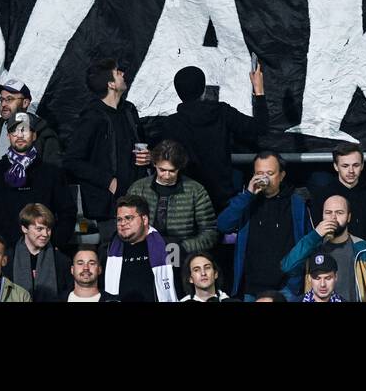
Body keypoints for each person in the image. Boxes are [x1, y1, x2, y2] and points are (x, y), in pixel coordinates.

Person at [154, 63, 268, 212]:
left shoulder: (170, 124)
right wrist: (259, 90)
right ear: (202, 90)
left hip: (188, 201)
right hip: (222, 199)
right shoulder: (222, 113)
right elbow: (260, 127)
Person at [64, 60, 150, 224]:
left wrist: (149, 157)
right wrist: (109, 182)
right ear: (111, 84)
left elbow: (142, 145)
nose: (123, 74)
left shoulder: (129, 110)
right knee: (113, 249)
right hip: (109, 207)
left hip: (138, 200)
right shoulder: (92, 117)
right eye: (118, 72)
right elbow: (72, 161)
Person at [216, 151, 311, 298]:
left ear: (282, 175)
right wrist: (248, 194)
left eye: (270, 173)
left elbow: (308, 242)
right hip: (251, 289)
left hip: (287, 288)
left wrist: (295, 282)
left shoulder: (296, 203)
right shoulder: (246, 201)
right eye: (259, 173)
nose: (264, 178)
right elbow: (223, 225)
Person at [0, 112, 76, 255]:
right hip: (6, 255)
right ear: (8, 136)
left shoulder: (52, 174)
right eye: (14, 130)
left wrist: (53, 243)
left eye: (24, 129)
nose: (19, 134)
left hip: (44, 253)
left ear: (34, 135)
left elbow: (67, 213)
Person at [282, 193, 366, 302]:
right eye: (328, 212)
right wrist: (315, 235)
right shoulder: (313, 247)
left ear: (349, 217)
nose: (333, 217)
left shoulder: (365, 250)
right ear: (322, 215)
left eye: (339, 213)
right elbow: (287, 267)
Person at [124, 138, 218, 259]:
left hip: (183, 256)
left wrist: (181, 248)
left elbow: (209, 233)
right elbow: (125, 224)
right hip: (144, 253)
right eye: (162, 170)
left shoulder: (196, 190)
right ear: (154, 164)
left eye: (172, 171)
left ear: (180, 168)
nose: (167, 176)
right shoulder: (138, 188)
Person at [102, 194, 179, 302]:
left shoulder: (170, 247)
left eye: (128, 218)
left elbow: (181, 287)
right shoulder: (109, 250)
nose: (122, 223)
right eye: (119, 219)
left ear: (145, 219)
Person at [0, 77, 61, 168]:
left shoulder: (43, 134)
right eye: (2, 99)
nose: (3, 104)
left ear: (25, 103)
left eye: (9, 99)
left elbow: (53, 174)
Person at [317, 141, 366, 246]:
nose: (351, 171)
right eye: (345, 166)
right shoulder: (323, 195)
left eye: (356, 165)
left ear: (362, 165)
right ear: (336, 166)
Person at [2, 202, 72, 302]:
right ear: (24, 228)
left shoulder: (61, 261)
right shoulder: (8, 260)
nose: (45, 234)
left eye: (48, 229)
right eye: (39, 229)